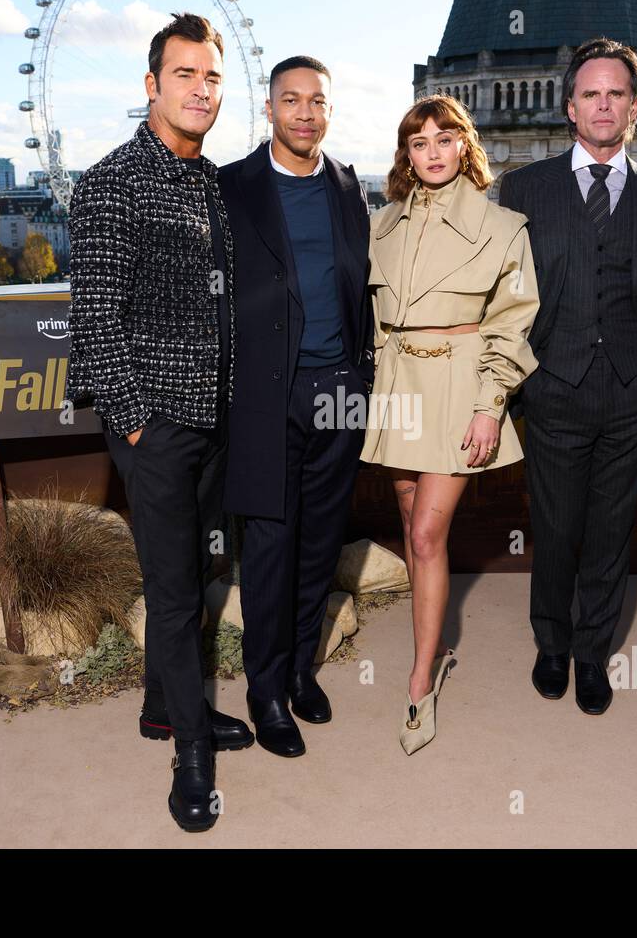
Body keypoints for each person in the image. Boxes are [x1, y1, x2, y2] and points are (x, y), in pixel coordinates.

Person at [65, 13, 252, 834]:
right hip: (158, 427)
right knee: (175, 592)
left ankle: (159, 709)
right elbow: (95, 321)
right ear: (151, 85)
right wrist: (139, 428)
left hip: (212, 417)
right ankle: (189, 756)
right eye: (185, 75)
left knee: (196, 578)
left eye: (212, 77)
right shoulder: (111, 182)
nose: (201, 90)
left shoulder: (211, 183)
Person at [498, 37, 637, 717]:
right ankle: (550, 643)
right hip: (553, 389)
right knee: (555, 528)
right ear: (571, 107)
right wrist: (523, 379)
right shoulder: (522, 189)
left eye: (617, 94)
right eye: (590, 94)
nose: (603, 105)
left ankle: (590, 654)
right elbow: (501, 294)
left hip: (635, 396)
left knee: (612, 532)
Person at [362, 94, 539, 755]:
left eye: (444, 139)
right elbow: (374, 321)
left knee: (430, 534)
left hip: (459, 387)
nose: (432, 152)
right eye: (419, 142)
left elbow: (514, 322)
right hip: (399, 390)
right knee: (413, 533)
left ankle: (418, 678)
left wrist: (488, 405)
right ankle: (428, 647)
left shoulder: (505, 228)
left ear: (465, 146)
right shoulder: (382, 226)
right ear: (406, 155)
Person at [217, 56, 372, 757]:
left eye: (317, 101)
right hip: (266, 400)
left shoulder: (346, 186)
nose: (305, 112)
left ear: (328, 112)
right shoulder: (232, 188)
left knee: (318, 547)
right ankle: (264, 690)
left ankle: (301, 672)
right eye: (291, 100)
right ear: (270, 109)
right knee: (272, 552)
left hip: (339, 394)